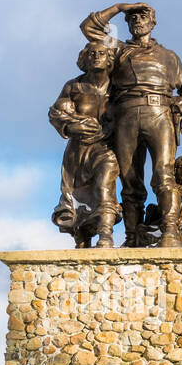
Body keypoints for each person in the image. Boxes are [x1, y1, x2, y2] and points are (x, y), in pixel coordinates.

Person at [79, 3, 182, 247]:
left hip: (160, 114)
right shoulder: (118, 49)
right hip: (125, 115)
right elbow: (89, 27)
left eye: (143, 16)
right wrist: (120, 7)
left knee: (163, 174)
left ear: (153, 23)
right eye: (132, 17)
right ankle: (132, 236)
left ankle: (169, 232)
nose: (137, 20)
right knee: (129, 179)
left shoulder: (169, 56)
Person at [48, 41, 121, 248]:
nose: (96, 57)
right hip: (77, 149)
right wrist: (73, 126)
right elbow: (55, 113)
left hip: (106, 147)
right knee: (77, 195)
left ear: (109, 60)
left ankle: (105, 235)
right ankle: (82, 238)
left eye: (101, 53)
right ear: (84, 59)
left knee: (104, 184)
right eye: (91, 54)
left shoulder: (118, 87)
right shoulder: (74, 86)